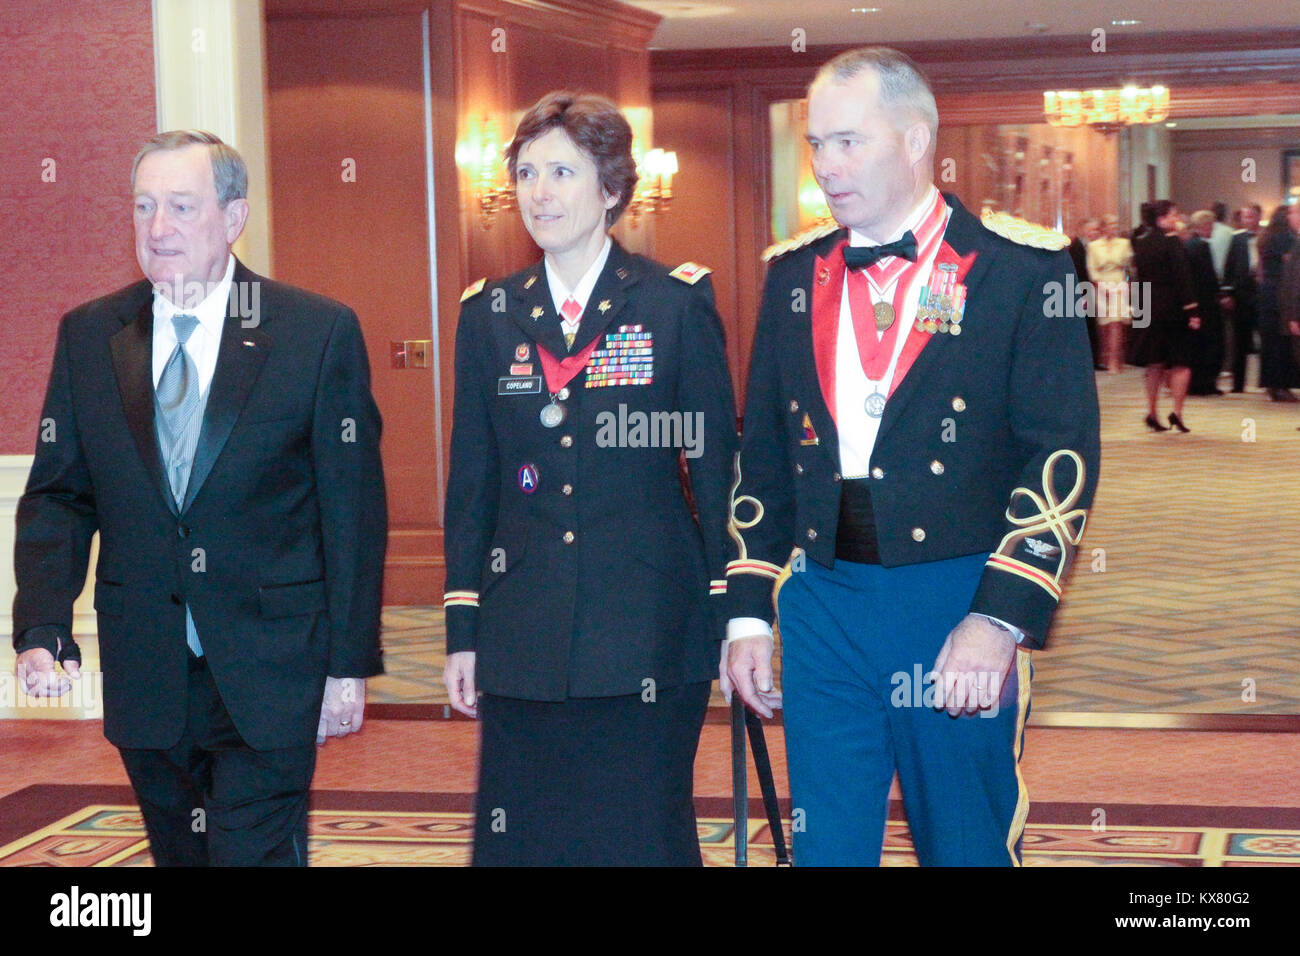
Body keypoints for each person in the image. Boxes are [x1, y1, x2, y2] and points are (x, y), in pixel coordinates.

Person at [722, 48, 1100, 866]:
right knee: (828, 849)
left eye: (849, 142)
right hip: (823, 602)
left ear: (917, 138)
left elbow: (1060, 459)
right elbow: (763, 461)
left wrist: (998, 619)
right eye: (816, 144)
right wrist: (749, 611)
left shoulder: (1022, 270)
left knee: (964, 842)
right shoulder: (793, 276)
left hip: (955, 599)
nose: (826, 167)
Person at [12, 130, 387, 866]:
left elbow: (352, 514)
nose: (158, 228)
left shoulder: (314, 331)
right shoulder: (92, 336)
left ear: (234, 215)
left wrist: (348, 665)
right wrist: (41, 625)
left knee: (251, 856)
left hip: (273, 668)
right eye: (144, 206)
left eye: (181, 207)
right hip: (146, 671)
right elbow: (59, 493)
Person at [441, 91, 737, 866]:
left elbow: (714, 471)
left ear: (611, 189)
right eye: (528, 173)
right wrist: (462, 630)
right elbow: (473, 482)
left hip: (647, 628)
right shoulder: (490, 313)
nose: (539, 193)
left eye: (562, 173)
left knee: (640, 835)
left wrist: (732, 614)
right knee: (526, 839)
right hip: (522, 632)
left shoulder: (672, 305)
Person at [1129, 200, 1201, 432]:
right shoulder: (1172, 243)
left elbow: (1136, 277)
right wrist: (1192, 310)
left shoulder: (1140, 243)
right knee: (1181, 362)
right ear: (1161, 219)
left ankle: (1151, 411)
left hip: (1147, 304)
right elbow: (1183, 278)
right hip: (1171, 307)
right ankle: (1177, 412)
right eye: (1173, 215)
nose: (1176, 219)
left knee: (1154, 362)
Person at [1257, 203, 1300, 401]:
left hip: (1269, 292)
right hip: (1280, 293)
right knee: (1281, 342)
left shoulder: (1268, 237)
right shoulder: (1283, 239)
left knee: (1271, 342)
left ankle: (1273, 384)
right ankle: (1280, 384)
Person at [1087, 213, 1134, 373]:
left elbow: (1129, 266)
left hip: (1118, 281)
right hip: (1101, 283)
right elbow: (1091, 268)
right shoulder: (1094, 246)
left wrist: (1127, 283)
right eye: (1110, 225)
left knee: (1116, 323)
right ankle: (1106, 357)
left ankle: (1115, 360)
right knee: (1104, 324)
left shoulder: (1124, 243)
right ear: (1103, 227)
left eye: (1115, 225)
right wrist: (1099, 285)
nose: (1113, 228)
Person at [1186, 210, 1226, 395]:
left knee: (1196, 345)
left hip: (1194, 301)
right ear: (1204, 226)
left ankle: (1197, 383)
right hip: (1207, 303)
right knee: (1211, 344)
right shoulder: (1201, 247)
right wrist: (1219, 294)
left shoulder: (1187, 245)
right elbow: (1208, 276)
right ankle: (1205, 383)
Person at [1223, 204, 1262, 393]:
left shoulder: (1266, 236)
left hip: (1262, 294)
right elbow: (1229, 267)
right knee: (1240, 340)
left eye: (1251, 217)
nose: (1247, 220)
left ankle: (1267, 383)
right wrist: (1227, 293)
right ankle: (1238, 384)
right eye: (1245, 217)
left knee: (1265, 340)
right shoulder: (1236, 239)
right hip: (1242, 294)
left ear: (1257, 217)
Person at [1068, 217, 1104, 370]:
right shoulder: (1076, 247)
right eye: (1092, 229)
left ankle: (1094, 360)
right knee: (1086, 327)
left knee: (1092, 326)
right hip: (1082, 291)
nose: (1094, 232)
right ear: (1083, 230)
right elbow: (1078, 273)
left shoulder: (1093, 247)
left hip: (1090, 290)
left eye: (1096, 229)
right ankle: (1088, 361)